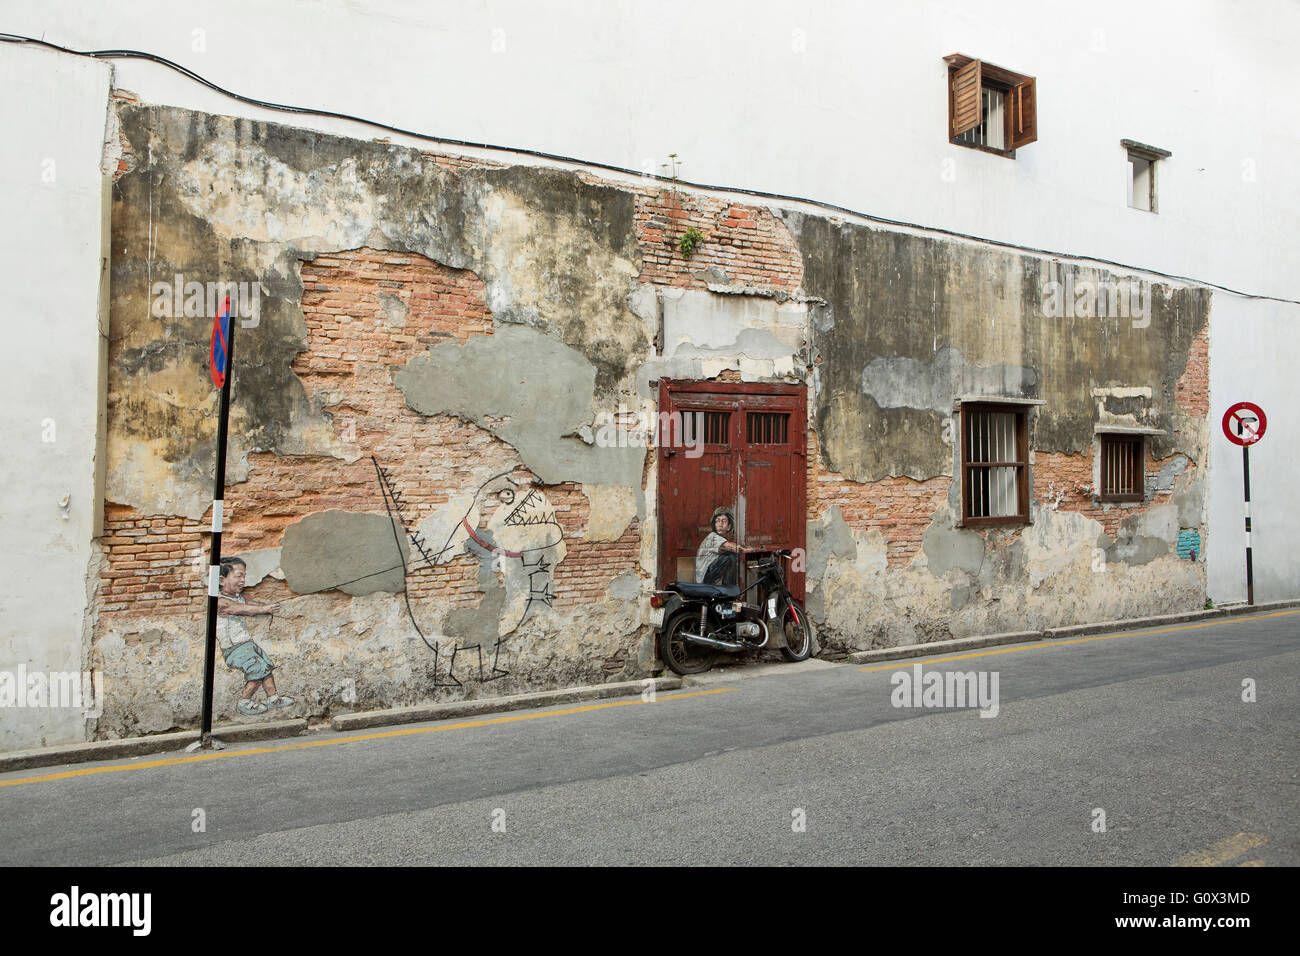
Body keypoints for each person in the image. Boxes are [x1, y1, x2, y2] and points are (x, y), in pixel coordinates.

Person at [216, 557, 294, 716]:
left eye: (244, 576)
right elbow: (246, 610)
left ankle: (273, 699)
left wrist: (270, 606)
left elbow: (253, 604)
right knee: (258, 670)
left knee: (266, 666)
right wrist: (265, 609)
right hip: (234, 649)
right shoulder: (221, 602)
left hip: (246, 644)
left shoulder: (238, 598)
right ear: (222, 580)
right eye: (238, 576)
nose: (242, 580)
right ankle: (244, 701)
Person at [695, 507, 750, 585]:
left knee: (730, 555)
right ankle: (729, 589)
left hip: (709, 575)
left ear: (729, 526)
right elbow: (733, 548)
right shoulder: (712, 537)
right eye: (717, 521)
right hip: (704, 579)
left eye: (724, 521)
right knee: (732, 556)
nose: (720, 524)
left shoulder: (720, 539)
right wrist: (751, 549)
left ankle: (728, 587)